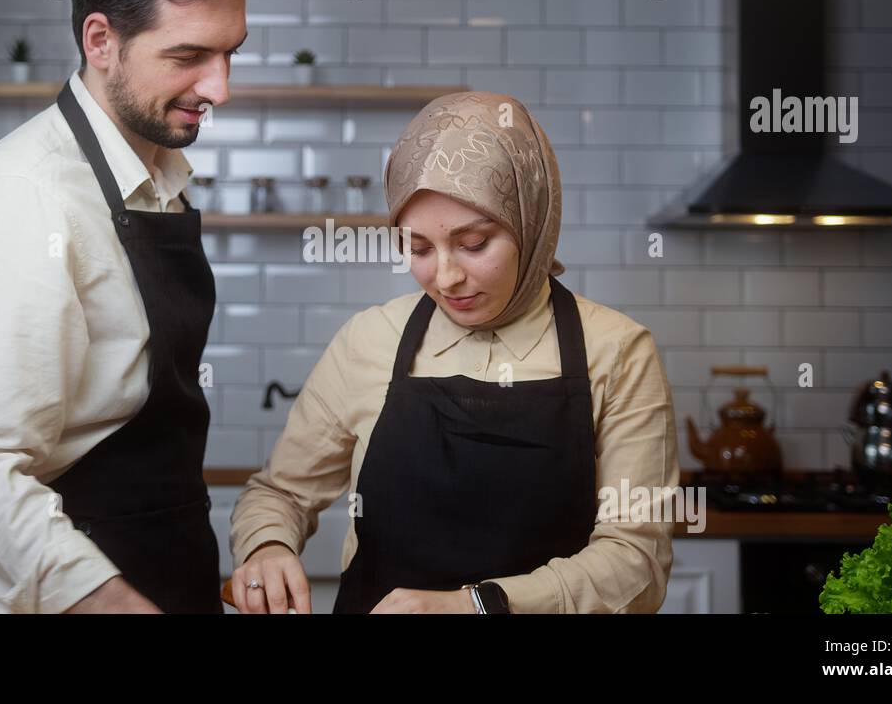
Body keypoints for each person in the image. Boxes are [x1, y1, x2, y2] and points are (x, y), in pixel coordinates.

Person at [228, 92, 680, 614]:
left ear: (532, 221)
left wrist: (475, 607)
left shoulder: (617, 351)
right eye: (417, 248)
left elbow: (636, 561)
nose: (445, 278)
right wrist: (268, 545)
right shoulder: (369, 338)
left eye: (473, 243)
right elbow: (280, 493)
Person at [0, 0, 251, 613]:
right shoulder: (21, 195)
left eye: (231, 52)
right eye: (189, 56)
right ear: (100, 40)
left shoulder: (161, 176)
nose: (220, 88)